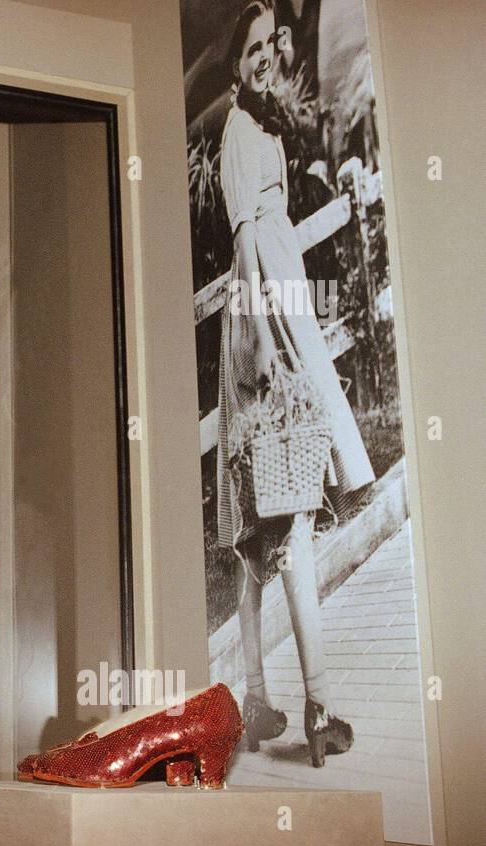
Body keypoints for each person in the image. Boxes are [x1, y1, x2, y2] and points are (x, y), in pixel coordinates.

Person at [216, 1, 375, 766]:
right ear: (232, 63)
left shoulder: (263, 124)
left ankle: (254, 694)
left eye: (268, 46)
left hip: (281, 315)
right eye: (250, 51)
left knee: (262, 532)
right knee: (288, 515)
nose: (265, 58)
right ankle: (318, 700)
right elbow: (247, 248)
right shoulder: (239, 136)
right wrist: (265, 351)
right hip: (265, 328)